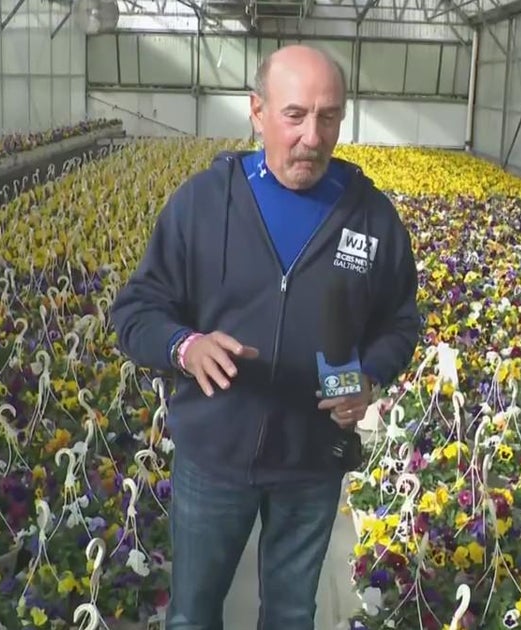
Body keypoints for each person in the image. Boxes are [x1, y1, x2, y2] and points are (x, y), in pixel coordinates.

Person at [110, 44, 420, 630]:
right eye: (295, 114)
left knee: (289, 612)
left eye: (328, 116)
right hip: (216, 454)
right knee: (194, 611)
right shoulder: (204, 204)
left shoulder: (371, 217)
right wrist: (185, 346)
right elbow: (137, 309)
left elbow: (400, 321)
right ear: (257, 112)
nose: (313, 136)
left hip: (312, 458)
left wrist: (367, 378)